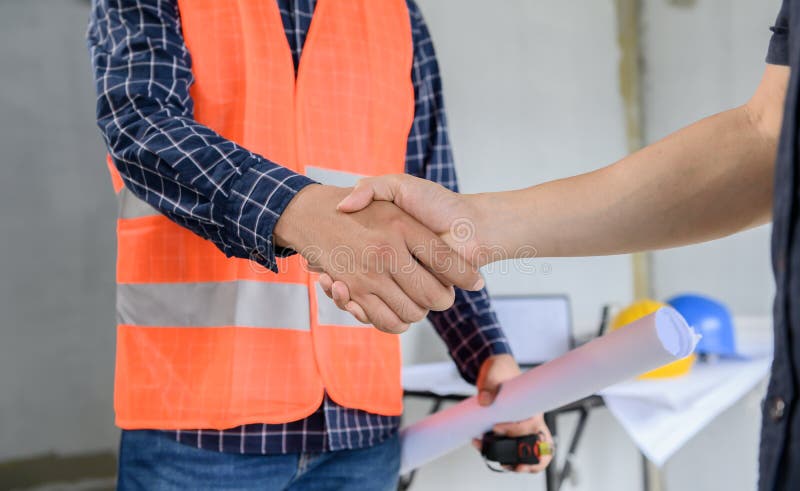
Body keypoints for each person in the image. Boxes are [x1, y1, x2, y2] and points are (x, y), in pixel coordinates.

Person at [319, 3, 800, 489]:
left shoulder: (393, 17)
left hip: (362, 412)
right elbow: (770, 140)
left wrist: (485, 349)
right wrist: (476, 230)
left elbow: (770, 144)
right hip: (250, 423)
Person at [87, 0, 552, 488]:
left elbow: (434, 208)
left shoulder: (396, 13)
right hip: (196, 426)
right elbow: (138, 126)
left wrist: (487, 356)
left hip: (360, 431)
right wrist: (300, 212)